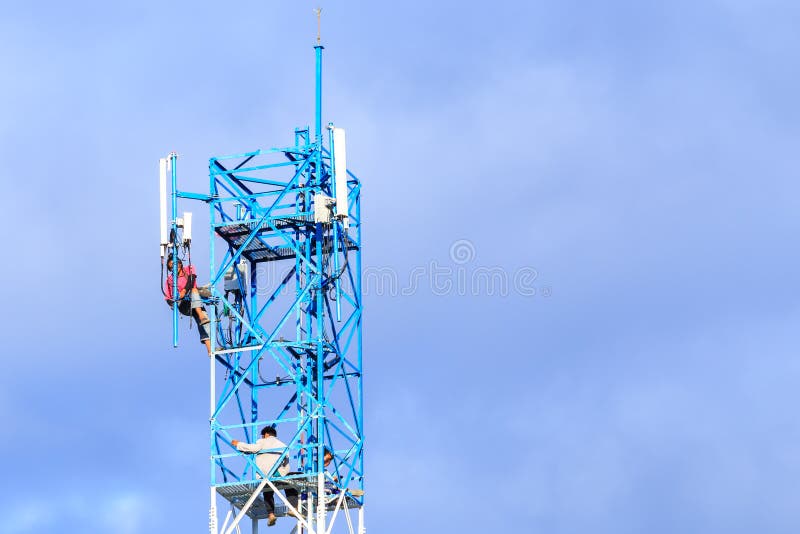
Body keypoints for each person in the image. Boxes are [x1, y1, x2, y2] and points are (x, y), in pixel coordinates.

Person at [232, 426, 299, 527]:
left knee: (267, 492)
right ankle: (293, 508)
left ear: (266, 434)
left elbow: (253, 448)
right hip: (279, 474)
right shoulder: (284, 445)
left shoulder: (263, 442)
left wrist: (238, 444)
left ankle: (271, 514)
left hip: (265, 475)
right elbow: (286, 463)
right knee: (289, 486)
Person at [164, 255, 212, 355]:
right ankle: (201, 315)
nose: (174, 267)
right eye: (171, 266)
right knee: (201, 314)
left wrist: (184, 291)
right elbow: (168, 297)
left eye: (175, 264)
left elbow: (191, 281)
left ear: (180, 264)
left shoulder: (189, 269)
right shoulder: (170, 280)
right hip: (184, 305)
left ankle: (210, 349)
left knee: (204, 323)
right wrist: (172, 303)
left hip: (195, 300)